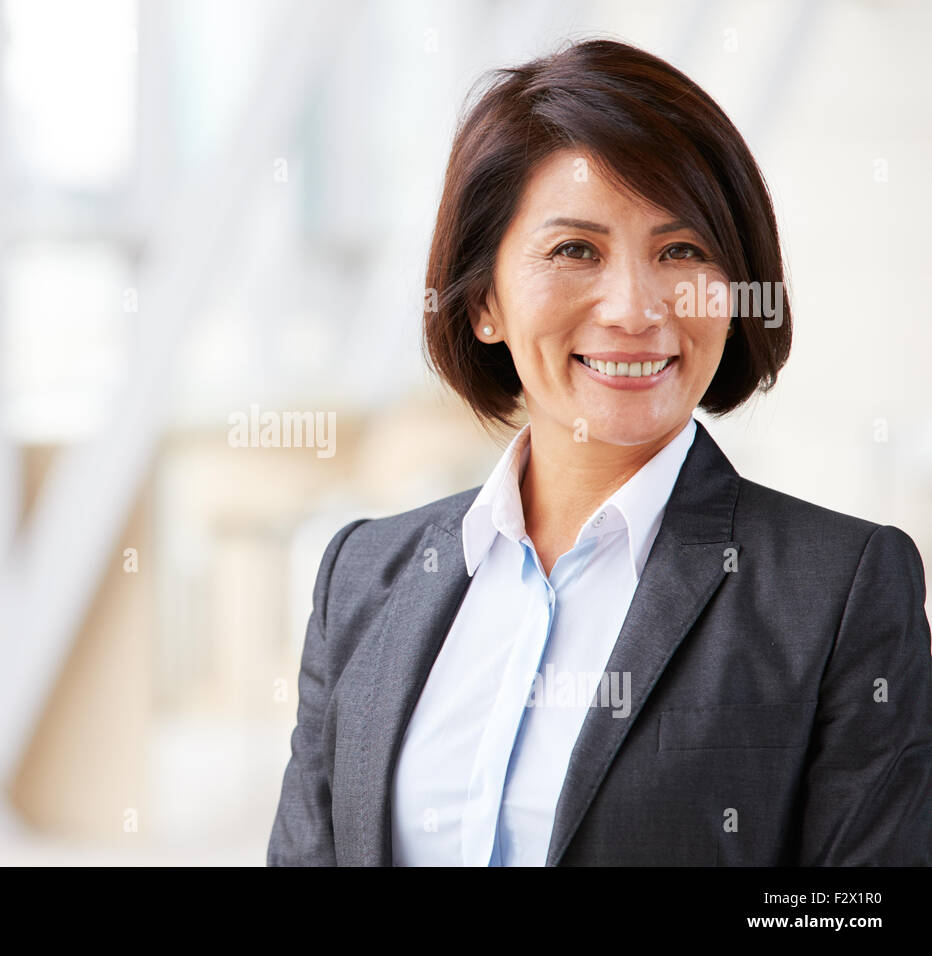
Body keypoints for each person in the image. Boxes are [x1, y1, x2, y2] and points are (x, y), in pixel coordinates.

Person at [266, 38, 932, 866]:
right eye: (574, 250)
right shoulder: (363, 576)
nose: (633, 307)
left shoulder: (838, 592)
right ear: (483, 304)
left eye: (682, 251)